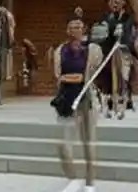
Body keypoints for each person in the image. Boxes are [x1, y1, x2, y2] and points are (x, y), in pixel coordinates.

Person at [52, 15, 103, 192]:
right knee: (62, 144)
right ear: (67, 30)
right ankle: (72, 179)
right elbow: (58, 77)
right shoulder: (60, 50)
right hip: (67, 100)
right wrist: (73, 78)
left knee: (89, 143)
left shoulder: (92, 49)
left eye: (79, 26)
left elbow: (91, 74)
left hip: (86, 100)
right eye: (72, 26)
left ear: (84, 29)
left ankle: (90, 184)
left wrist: (74, 78)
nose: (75, 29)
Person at [97, 0, 138, 119]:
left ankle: (123, 102)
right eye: (111, 1)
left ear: (124, 3)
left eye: (117, 1)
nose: (114, 4)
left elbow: (129, 37)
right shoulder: (106, 17)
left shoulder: (128, 18)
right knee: (105, 76)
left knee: (121, 75)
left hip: (123, 52)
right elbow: (101, 35)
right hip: (107, 53)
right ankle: (107, 102)